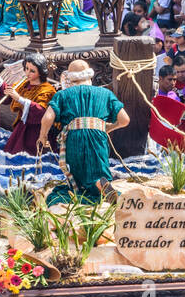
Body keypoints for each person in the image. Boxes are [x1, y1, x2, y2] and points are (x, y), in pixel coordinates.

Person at [38, 67, 128, 199]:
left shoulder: (62, 95)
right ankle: (101, 183)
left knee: (79, 176)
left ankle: (88, 186)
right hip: (97, 135)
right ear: (90, 77)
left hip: (74, 136)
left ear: (70, 78)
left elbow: (47, 118)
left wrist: (42, 135)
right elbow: (125, 120)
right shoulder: (106, 93)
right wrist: (109, 127)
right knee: (99, 168)